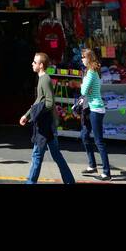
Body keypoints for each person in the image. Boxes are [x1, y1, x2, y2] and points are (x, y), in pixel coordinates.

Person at [21, 51, 75, 184]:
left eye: (34, 62)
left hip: (45, 125)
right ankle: (69, 181)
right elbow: (39, 101)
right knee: (56, 155)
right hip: (48, 124)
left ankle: (30, 182)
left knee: (37, 155)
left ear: (41, 65)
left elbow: (49, 103)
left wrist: (35, 113)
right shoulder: (42, 78)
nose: (32, 64)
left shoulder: (44, 79)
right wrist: (27, 115)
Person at [78, 47, 110, 181]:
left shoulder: (91, 73)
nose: (82, 59)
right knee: (84, 135)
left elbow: (83, 91)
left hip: (96, 109)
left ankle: (107, 173)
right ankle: (92, 165)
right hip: (91, 108)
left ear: (89, 58)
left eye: (83, 57)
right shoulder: (90, 72)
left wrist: (81, 84)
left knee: (99, 141)